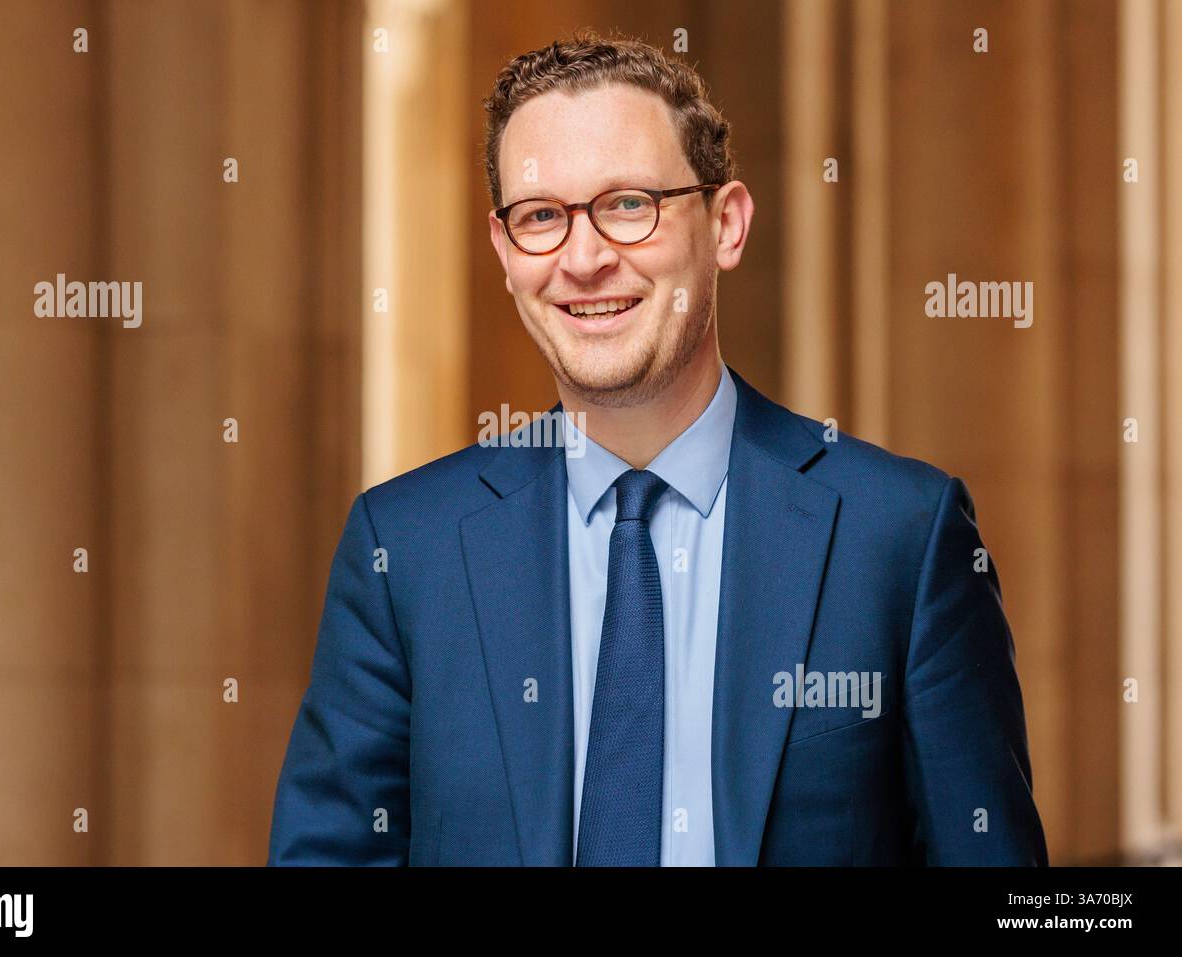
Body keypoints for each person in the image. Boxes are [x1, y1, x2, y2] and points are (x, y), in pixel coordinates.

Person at [268, 30, 1047, 866]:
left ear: (726, 225)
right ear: (505, 255)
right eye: (540, 217)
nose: (585, 257)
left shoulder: (900, 537)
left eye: (630, 204)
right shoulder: (404, 550)